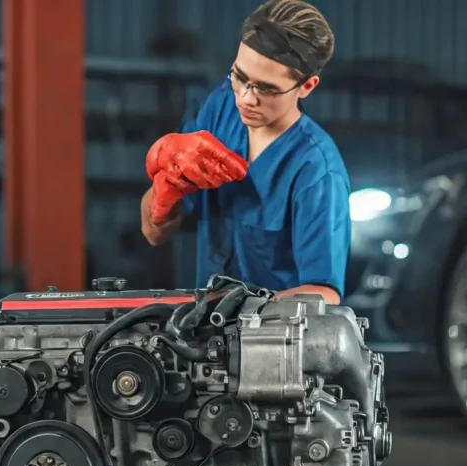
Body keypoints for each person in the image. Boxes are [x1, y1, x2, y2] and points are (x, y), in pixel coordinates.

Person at [140, 0, 350, 305]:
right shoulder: (220, 109)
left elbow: (324, 295)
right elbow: (153, 234)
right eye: (239, 77)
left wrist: (242, 312)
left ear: (306, 86)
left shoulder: (316, 170)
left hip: (273, 343)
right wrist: (166, 188)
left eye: (266, 88)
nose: (246, 98)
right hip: (201, 335)